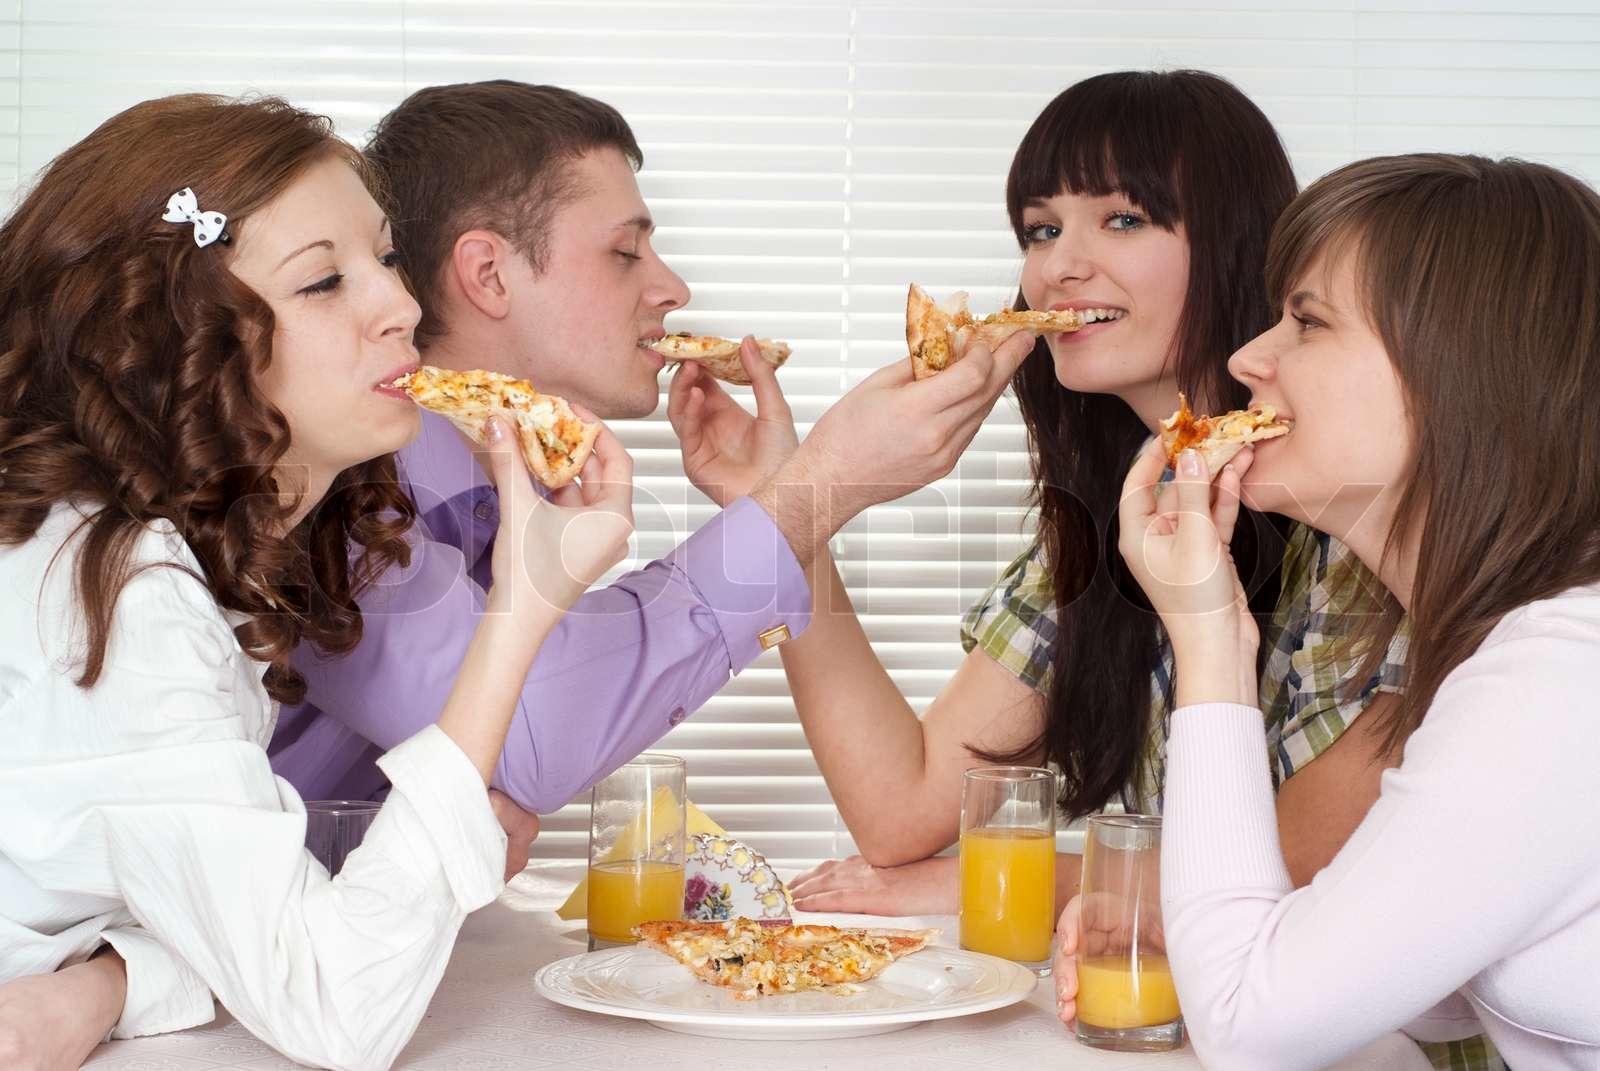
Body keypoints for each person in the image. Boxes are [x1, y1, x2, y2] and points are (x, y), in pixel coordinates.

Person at [0, 94, 635, 1070]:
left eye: (382, 258)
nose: (404, 307)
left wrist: (111, 980)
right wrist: (521, 606)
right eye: (323, 282)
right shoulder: (121, 601)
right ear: (171, 340)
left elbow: (244, 931)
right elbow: (336, 1008)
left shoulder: (164, 565)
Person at [268, 79, 1032, 832]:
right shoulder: (333, 489)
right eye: (625, 251)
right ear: (489, 274)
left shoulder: (521, 489)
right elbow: (535, 734)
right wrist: (815, 488)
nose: (672, 286)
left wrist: (787, 500)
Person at [1083, 152, 1600, 1069]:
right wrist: (1189, 920)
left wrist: (1208, 635)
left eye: (1308, 322)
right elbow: (1429, 982)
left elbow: (1251, 1029)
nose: (1248, 357)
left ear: (1457, 373)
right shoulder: (1512, 652)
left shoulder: (1562, 674)